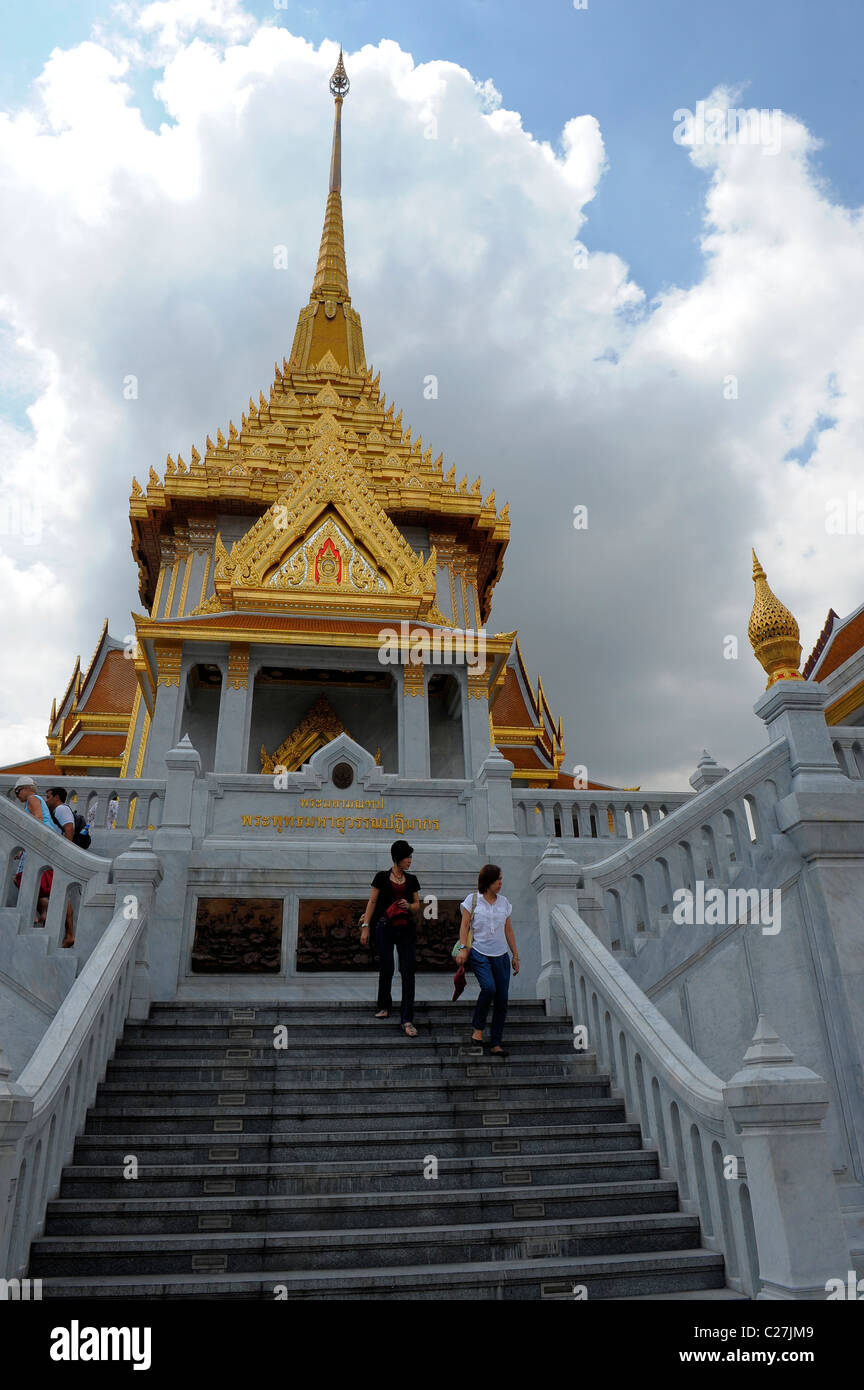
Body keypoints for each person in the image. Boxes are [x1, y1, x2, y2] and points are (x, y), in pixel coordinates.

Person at [455, 864, 520, 1058]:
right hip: (479, 953)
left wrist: (515, 955)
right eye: (497, 879)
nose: (501, 883)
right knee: (489, 988)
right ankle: (478, 1028)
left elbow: (508, 930)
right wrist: (463, 948)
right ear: (488, 881)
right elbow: (464, 925)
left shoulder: (504, 903)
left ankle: (496, 1043)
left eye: (501, 879)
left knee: (502, 1000)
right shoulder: (472, 900)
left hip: (501, 955)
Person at [359, 840, 421, 1037]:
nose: (410, 861)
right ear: (398, 858)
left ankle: (407, 1018)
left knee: (408, 972)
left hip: (406, 929)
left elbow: (418, 904)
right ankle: (384, 1004)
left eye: (410, 857)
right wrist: (365, 926)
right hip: (385, 927)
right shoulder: (381, 877)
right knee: (386, 967)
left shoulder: (412, 880)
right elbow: (372, 901)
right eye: (407, 857)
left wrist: (409, 906)